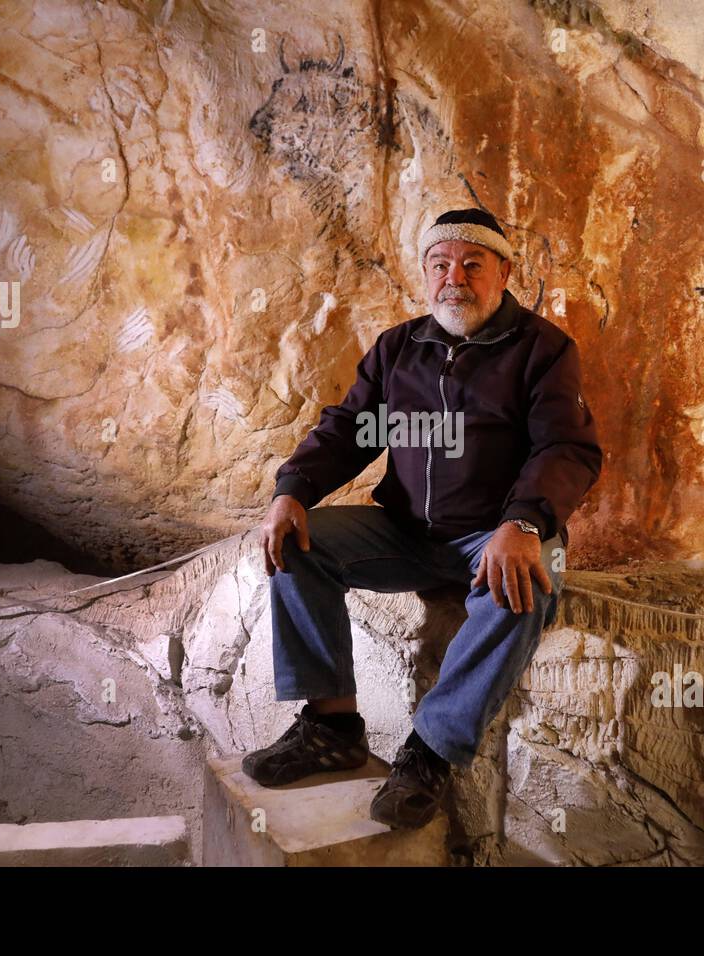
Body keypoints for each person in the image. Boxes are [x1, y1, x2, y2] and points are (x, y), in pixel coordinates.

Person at [241, 208, 603, 829]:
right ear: (426, 273)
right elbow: (350, 428)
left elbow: (566, 450)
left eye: (471, 264)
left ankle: (431, 751)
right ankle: (331, 727)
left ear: (504, 273)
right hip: (406, 532)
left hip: (496, 535)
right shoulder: (399, 347)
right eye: (440, 265)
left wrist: (525, 524)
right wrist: (292, 490)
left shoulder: (542, 350)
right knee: (296, 545)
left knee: (527, 581)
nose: (453, 278)